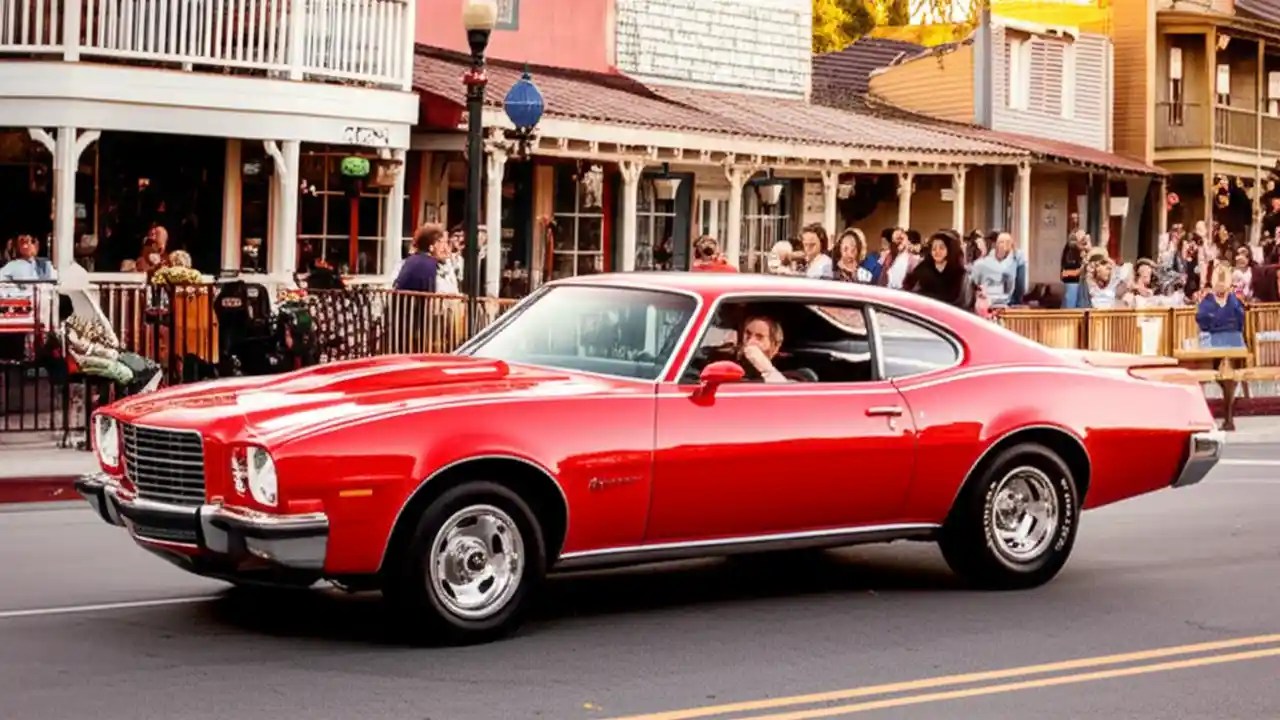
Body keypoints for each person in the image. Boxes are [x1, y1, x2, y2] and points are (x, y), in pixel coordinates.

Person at [1196, 264, 1247, 348]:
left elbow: (1240, 320)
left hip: (1234, 340)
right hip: (1212, 340)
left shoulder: (1234, 300)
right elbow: (1203, 322)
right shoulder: (1207, 301)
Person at [394, 224, 446, 292]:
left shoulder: (411, 259)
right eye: (440, 242)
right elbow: (429, 294)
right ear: (431, 245)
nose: (444, 247)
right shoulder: (428, 263)